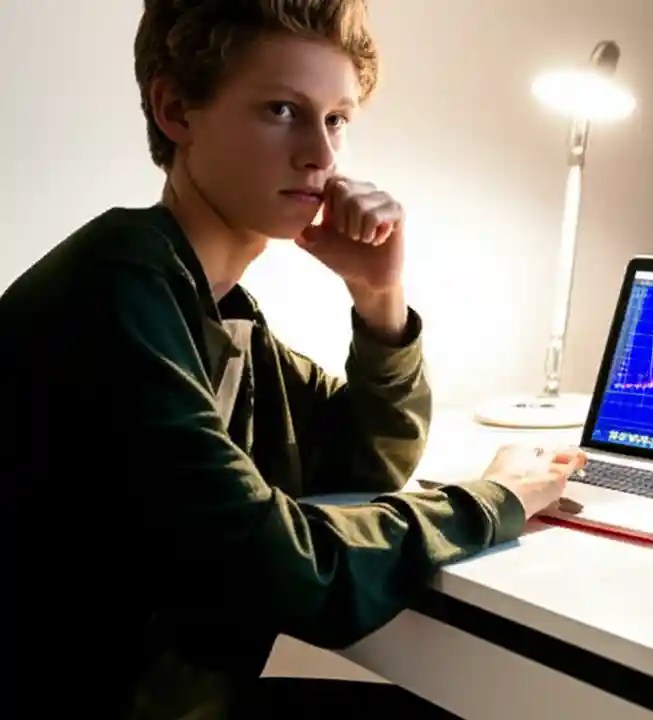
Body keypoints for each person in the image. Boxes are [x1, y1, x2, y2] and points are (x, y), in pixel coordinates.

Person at [0, 1, 585, 717]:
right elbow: (290, 574)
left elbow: (364, 462)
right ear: (175, 110)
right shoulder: (117, 288)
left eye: (336, 119)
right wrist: (494, 500)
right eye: (282, 110)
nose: (321, 155)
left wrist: (379, 297)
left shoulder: (222, 310)